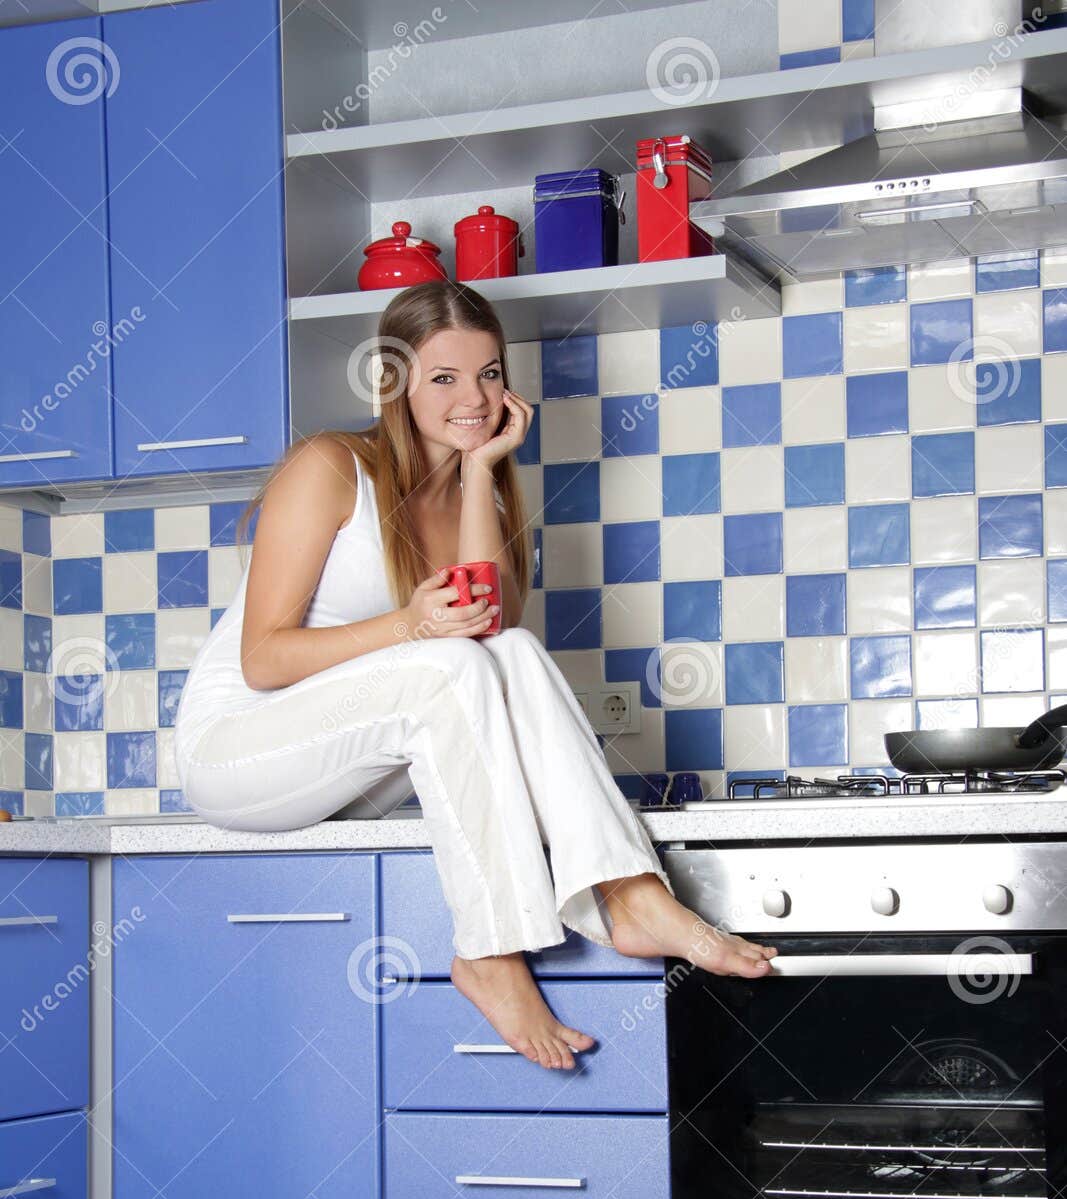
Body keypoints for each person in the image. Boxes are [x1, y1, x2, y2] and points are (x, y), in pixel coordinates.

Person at [174, 280, 776, 1071]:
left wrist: (482, 471)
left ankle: (629, 893)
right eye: (445, 377)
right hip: (238, 751)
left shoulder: (468, 482)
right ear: (396, 383)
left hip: (351, 764)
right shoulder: (330, 465)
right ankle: (489, 952)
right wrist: (411, 625)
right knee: (452, 662)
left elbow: (493, 636)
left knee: (512, 651)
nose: (475, 397)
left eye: (489, 373)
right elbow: (264, 659)